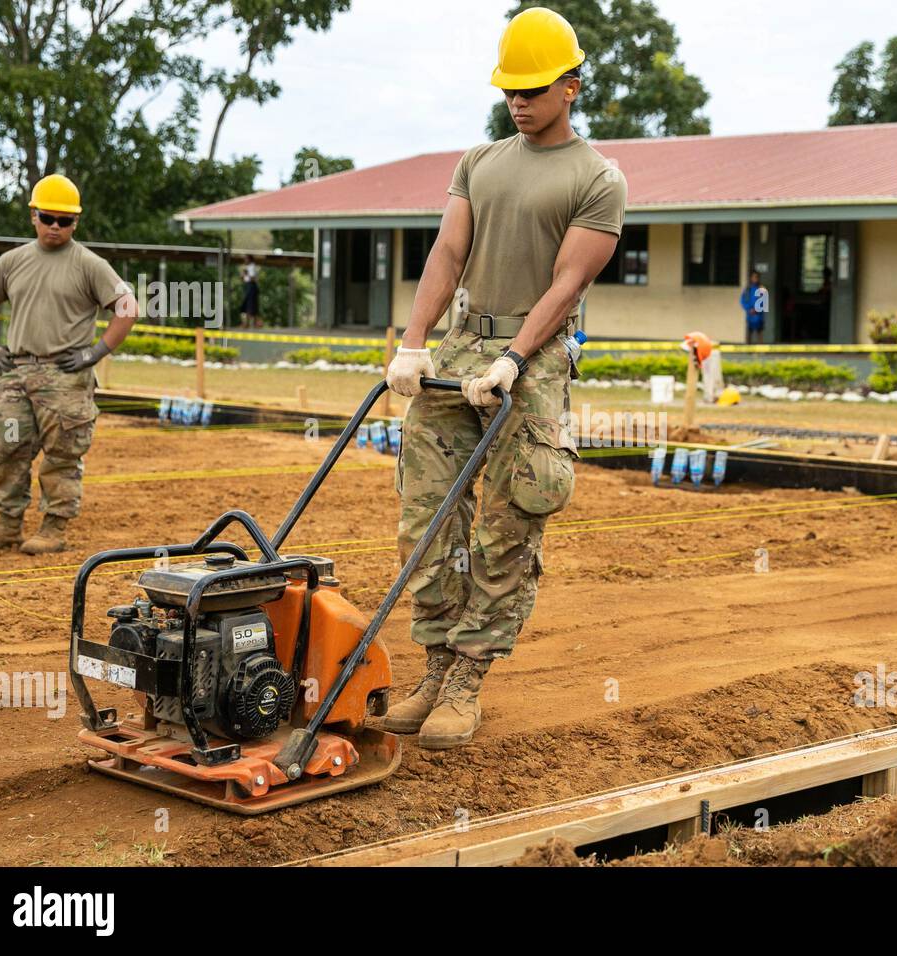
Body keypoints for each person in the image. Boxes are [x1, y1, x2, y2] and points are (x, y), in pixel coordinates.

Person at [377, 7, 625, 749]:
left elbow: (566, 282)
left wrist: (514, 358)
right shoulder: (478, 162)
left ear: (572, 87)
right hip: (459, 345)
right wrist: (414, 344)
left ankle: (468, 679)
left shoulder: (597, 179)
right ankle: (434, 664)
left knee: (507, 520)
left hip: (534, 354)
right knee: (426, 515)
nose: (518, 101)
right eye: (509, 89)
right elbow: (447, 254)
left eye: (535, 88)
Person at [0, 174, 138, 553]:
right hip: (16, 373)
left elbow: (127, 307)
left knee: (62, 454)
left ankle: (53, 529)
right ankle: (7, 525)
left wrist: (94, 353)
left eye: (65, 221)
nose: (56, 227)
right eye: (48, 218)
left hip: (65, 378)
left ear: (75, 222)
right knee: (7, 445)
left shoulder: (89, 264)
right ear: (34, 215)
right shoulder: (12, 261)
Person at [739, 270, 767, 344]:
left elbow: (764, 301)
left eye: (756, 277)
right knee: (749, 333)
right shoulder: (747, 289)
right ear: (751, 278)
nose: (755, 279)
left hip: (759, 315)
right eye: (753, 277)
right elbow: (742, 301)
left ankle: (761, 350)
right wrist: (749, 309)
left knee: (759, 333)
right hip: (750, 315)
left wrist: (757, 309)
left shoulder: (761, 288)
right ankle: (748, 350)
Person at [239, 256, 260, 328]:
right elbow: (243, 278)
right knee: (247, 304)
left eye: (246, 259)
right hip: (247, 286)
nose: (245, 260)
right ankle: (248, 323)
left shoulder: (252, 267)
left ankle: (253, 323)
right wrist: (243, 274)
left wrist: (246, 273)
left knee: (251, 304)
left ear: (250, 259)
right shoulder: (247, 267)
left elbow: (253, 278)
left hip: (252, 286)